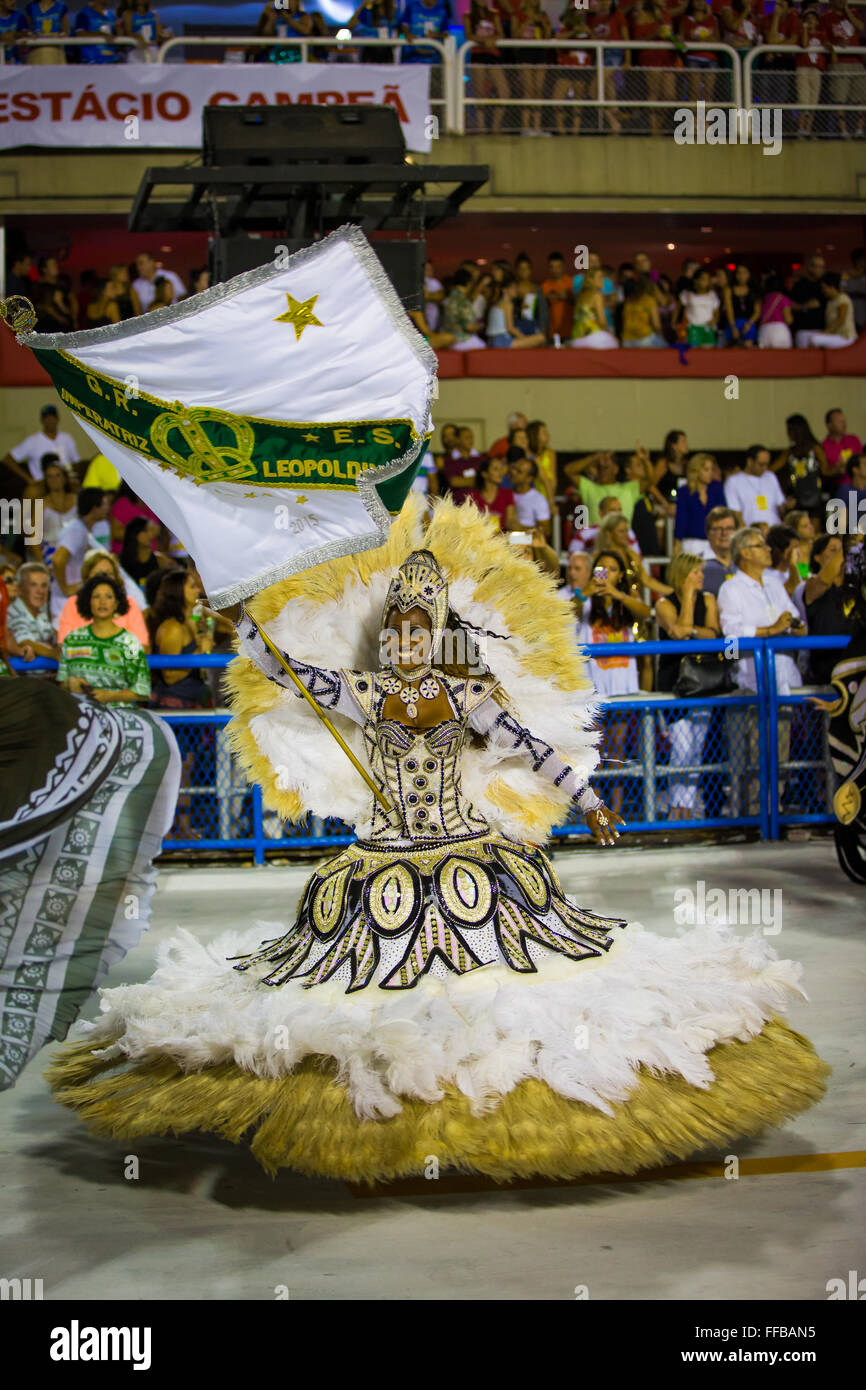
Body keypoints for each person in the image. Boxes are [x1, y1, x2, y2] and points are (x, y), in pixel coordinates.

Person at [46, 519, 827, 1184]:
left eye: (420, 630)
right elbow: (296, 678)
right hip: (380, 857)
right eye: (398, 630)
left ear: (438, 634)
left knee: (503, 983)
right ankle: (396, 1107)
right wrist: (245, 616)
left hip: (466, 854)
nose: (408, 640)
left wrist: (588, 801)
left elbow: (528, 749)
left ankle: (483, 1103)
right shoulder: (369, 691)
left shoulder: (464, 694)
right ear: (387, 636)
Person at [718, 526, 805, 815]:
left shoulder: (774, 583)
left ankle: (772, 811)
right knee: (753, 756)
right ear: (744, 553)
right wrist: (771, 630)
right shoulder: (731, 588)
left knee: (778, 754)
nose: (769, 550)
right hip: (753, 683)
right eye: (761, 546)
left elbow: (791, 614)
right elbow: (731, 634)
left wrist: (795, 626)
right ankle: (753, 816)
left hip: (782, 679)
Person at [578, 548, 648, 809]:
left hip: (622, 687)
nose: (606, 574)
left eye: (613, 569)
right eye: (601, 568)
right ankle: (593, 811)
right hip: (591, 689)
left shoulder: (625, 603)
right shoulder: (584, 601)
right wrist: (586, 591)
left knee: (617, 752)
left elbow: (647, 613)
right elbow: (565, 610)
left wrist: (618, 594)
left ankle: (615, 811)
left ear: (620, 576)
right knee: (592, 754)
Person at [655, 554, 722, 819]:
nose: (701, 577)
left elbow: (715, 634)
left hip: (703, 681)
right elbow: (679, 633)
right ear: (682, 575)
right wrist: (688, 600)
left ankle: (687, 806)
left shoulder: (709, 599)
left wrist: (692, 627)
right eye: (695, 572)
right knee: (682, 747)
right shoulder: (664, 604)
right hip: (675, 684)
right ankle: (675, 806)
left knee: (696, 748)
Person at [57, 572, 150, 707]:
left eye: (108, 596)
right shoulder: (72, 640)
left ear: (117, 603)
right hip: (81, 717)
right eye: (96, 596)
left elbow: (142, 691)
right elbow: (62, 685)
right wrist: (70, 683)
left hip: (118, 719)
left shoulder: (130, 643)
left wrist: (110, 696)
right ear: (88, 601)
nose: (102, 602)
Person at [56, 548, 150, 648]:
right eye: (98, 574)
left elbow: (143, 646)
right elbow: (64, 646)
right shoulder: (73, 604)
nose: (104, 578)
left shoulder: (130, 603)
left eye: (109, 573)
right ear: (87, 578)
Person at [148, 567, 213, 711]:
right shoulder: (173, 629)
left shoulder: (188, 623)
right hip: (171, 707)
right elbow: (169, 677)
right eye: (192, 586)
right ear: (177, 591)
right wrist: (201, 650)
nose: (198, 590)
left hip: (189, 702)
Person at [50, 487, 110, 621]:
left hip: (73, 599)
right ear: (95, 508)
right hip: (64, 602)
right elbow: (58, 559)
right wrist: (66, 588)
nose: (108, 508)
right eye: (105, 504)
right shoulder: (75, 529)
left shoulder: (82, 529)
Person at [803, 534, 856, 684]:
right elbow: (825, 579)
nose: (841, 555)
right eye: (833, 550)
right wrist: (847, 542)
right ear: (817, 557)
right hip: (825, 673)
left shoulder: (855, 588)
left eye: (842, 550)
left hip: (855, 666)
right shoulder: (811, 585)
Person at [2, 404, 79, 486]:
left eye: (52, 417)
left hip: (65, 484)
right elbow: (8, 459)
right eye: (47, 418)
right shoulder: (32, 441)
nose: (50, 420)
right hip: (42, 485)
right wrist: (29, 480)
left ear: (57, 419)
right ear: (42, 420)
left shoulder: (67, 438)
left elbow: (76, 462)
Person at [820, 0, 864, 138]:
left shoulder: (853, 13)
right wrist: (835, 44)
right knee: (840, 98)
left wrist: (848, 13)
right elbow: (824, 40)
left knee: (861, 97)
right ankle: (843, 130)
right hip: (839, 62)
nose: (841, 1)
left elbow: (861, 27)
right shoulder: (825, 18)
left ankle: (859, 130)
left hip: (856, 62)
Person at [771, 414, 827, 519]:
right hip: (796, 495)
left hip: (814, 495)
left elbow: (825, 471)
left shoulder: (815, 449)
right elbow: (773, 468)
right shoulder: (790, 452)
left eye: (790, 430)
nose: (788, 434)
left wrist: (838, 469)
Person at [5, 561, 59, 668]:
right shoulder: (13, 612)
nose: (40, 591)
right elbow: (25, 642)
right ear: (20, 589)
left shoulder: (40, 613)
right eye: (33, 585)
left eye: (44, 586)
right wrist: (55, 654)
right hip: (21, 679)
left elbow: (55, 638)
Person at [26, 455, 76, 570]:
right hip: (50, 553)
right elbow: (34, 538)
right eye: (49, 476)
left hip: (74, 550)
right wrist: (41, 564)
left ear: (65, 478)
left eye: (57, 475)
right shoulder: (41, 504)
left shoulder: (76, 500)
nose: (54, 480)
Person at [673, 452, 726, 556]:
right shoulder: (685, 492)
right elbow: (681, 520)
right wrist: (677, 544)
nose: (710, 473)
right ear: (696, 471)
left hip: (714, 542)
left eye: (712, 469)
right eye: (706, 470)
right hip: (692, 543)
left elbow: (723, 514)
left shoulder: (717, 488)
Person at [724, 443, 785, 528]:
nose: (764, 468)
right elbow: (735, 513)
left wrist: (787, 506)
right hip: (751, 532)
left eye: (767, 464)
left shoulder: (771, 476)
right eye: (761, 464)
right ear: (750, 461)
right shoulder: (733, 481)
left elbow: (780, 506)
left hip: (774, 530)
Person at [485, 269, 546, 348]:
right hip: (502, 340)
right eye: (512, 288)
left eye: (515, 287)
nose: (516, 290)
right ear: (504, 290)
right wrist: (526, 339)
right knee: (541, 338)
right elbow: (510, 328)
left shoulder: (496, 303)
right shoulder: (507, 304)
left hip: (491, 340)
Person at [797, 272, 857, 349]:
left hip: (845, 337)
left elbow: (841, 320)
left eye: (824, 288)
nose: (823, 290)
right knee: (805, 336)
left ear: (832, 286)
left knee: (814, 339)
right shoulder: (830, 301)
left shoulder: (842, 298)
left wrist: (824, 333)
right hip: (835, 336)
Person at [464, 455, 518, 531]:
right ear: (484, 474)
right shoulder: (472, 495)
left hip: (502, 539)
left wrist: (527, 529)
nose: (501, 473)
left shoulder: (507, 493)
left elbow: (510, 521)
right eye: (496, 469)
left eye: (501, 469)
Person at [569, 268, 619, 349]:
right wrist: (610, 334)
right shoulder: (597, 295)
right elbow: (602, 321)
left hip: (576, 340)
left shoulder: (581, 297)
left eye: (602, 277)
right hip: (593, 338)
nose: (602, 280)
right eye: (599, 277)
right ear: (590, 279)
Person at [795, 8, 826, 136]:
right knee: (803, 98)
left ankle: (808, 128)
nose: (810, 21)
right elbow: (804, 44)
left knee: (813, 100)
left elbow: (828, 45)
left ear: (818, 21)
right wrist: (806, 30)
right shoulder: (801, 33)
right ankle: (801, 128)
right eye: (807, 18)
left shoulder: (822, 34)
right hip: (803, 68)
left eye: (813, 18)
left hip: (817, 69)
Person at [507, 451, 551, 538]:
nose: (513, 472)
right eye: (513, 468)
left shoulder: (538, 499)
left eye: (519, 472)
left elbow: (546, 531)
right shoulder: (505, 493)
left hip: (526, 544)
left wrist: (521, 528)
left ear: (529, 478)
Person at [441, 268, 486, 350]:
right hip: (462, 341)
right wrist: (480, 325)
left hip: (449, 341)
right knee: (483, 348)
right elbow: (469, 327)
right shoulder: (463, 301)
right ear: (469, 283)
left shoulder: (448, 299)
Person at [701, 505, 738, 597]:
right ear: (708, 533)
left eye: (729, 528)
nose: (724, 533)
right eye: (718, 529)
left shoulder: (744, 561)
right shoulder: (697, 564)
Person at [790, 253, 827, 346]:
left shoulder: (826, 285)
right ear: (809, 267)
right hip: (804, 329)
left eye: (822, 267)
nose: (820, 270)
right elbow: (790, 305)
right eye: (817, 266)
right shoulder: (799, 285)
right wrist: (805, 306)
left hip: (823, 330)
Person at [678, 267, 719, 348]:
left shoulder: (712, 294)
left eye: (707, 279)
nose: (705, 282)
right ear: (696, 280)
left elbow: (716, 311)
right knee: (695, 353)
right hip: (692, 328)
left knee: (709, 353)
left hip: (708, 328)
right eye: (703, 279)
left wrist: (714, 320)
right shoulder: (687, 294)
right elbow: (679, 310)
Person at [621, 275, 666, 347]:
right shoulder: (649, 300)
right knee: (667, 350)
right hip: (645, 339)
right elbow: (657, 325)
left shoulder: (627, 302)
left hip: (626, 341)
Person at [119, 516, 166, 585]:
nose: (151, 535)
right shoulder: (120, 562)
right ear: (135, 534)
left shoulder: (160, 560)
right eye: (146, 531)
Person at [541, 252, 574, 343]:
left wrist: (567, 296)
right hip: (552, 332)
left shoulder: (571, 283)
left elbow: (580, 303)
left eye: (558, 266)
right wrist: (547, 300)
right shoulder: (545, 285)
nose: (555, 270)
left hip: (571, 331)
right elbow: (541, 309)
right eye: (552, 267)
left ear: (563, 266)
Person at [823, 408, 862, 483]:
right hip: (839, 485)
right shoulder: (823, 447)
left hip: (860, 485)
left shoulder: (853, 440)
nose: (844, 424)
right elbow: (824, 473)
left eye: (844, 421)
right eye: (840, 421)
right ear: (829, 425)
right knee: (849, 492)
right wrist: (836, 469)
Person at [23, 0, 68, 64]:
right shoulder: (31, 7)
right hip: (37, 49)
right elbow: (26, 30)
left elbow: (66, 31)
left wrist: (62, 35)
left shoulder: (61, 6)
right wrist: (30, 35)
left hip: (55, 49)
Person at [526, 419, 557, 510]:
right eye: (543, 432)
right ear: (535, 435)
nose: (548, 434)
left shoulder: (550, 453)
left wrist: (551, 498)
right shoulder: (529, 454)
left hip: (547, 492)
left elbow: (553, 477)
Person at [758, 272, 794, 348]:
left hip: (764, 330)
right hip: (779, 330)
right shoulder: (783, 299)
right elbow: (788, 319)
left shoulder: (763, 299)